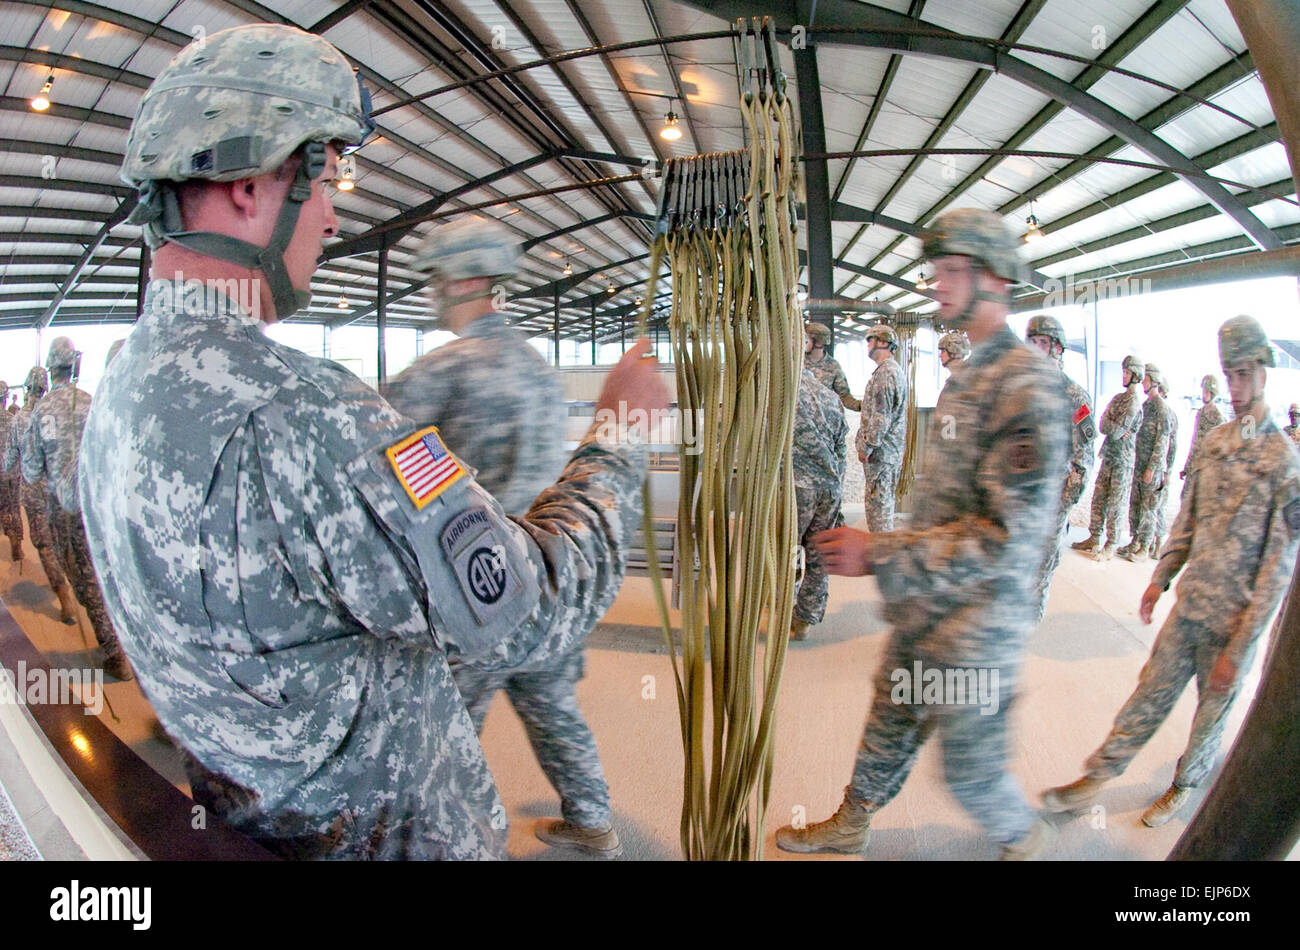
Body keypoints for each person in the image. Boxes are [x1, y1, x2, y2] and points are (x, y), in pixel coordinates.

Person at [79, 22, 669, 861]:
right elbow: (528, 612)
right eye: (326, 174)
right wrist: (620, 434)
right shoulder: (309, 414)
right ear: (253, 182)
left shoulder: (122, 388)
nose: (329, 211)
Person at [775, 208, 1069, 860]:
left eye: (952, 270)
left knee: (970, 772)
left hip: (976, 627)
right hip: (928, 609)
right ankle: (852, 820)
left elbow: (1004, 537)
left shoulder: (1025, 386)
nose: (936, 284)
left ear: (994, 278)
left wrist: (879, 551)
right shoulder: (973, 376)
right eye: (936, 270)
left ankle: (1027, 837)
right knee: (889, 719)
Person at [383, 215, 618, 859]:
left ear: (466, 279)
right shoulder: (538, 367)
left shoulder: (440, 370)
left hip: (475, 590)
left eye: (435, 278)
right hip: (545, 577)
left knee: (443, 736)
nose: (431, 290)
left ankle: (442, 845)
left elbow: (383, 474)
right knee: (552, 706)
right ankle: (592, 820)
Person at [1044, 315, 1300, 828]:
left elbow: (1279, 567)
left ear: (1265, 373)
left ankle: (1186, 783)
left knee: (1211, 711)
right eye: (1230, 373)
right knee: (1150, 691)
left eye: (1246, 372)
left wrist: (1243, 644)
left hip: (1234, 621)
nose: (1237, 383)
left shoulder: (1284, 461)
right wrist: (1160, 577)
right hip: (1191, 603)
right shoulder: (1218, 441)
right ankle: (1097, 774)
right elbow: (1187, 518)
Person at [22, 338, 131, 680]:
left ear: (51, 370)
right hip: (101, 504)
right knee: (109, 571)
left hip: (64, 509)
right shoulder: (93, 403)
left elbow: (30, 470)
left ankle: (116, 654)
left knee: (85, 581)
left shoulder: (40, 412)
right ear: (76, 366)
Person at [1026, 313, 1096, 621]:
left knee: (1040, 568)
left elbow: (1084, 458)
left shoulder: (1075, 397)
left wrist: (1064, 505)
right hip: (1023, 496)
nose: (1035, 349)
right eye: (1032, 343)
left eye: (1042, 343)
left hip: (1053, 498)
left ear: (1056, 348)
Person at [4, 366, 77, 624]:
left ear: (26, 387)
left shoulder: (21, 418)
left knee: (44, 545)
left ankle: (65, 597)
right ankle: (75, 584)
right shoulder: (56, 411)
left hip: (33, 488)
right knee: (64, 539)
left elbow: (12, 457)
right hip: (61, 486)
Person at [790, 367, 849, 642]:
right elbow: (841, 451)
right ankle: (805, 619)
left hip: (793, 487)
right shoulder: (831, 398)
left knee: (784, 552)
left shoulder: (780, 393)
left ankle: (781, 608)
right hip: (828, 488)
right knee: (819, 556)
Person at [1072, 355, 1144, 558]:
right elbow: (1103, 425)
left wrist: (1113, 423)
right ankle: (1094, 536)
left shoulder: (1133, 403)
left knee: (1116, 503)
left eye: (1127, 372)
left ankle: (1111, 543)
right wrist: (1113, 422)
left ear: (1136, 376)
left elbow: (1115, 432)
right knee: (1099, 497)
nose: (1123, 375)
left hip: (1123, 460)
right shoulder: (1118, 399)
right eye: (1123, 371)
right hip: (1110, 456)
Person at [1117, 364, 1173, 563]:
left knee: (1149, 508)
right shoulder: (1146, 406)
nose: (1143, 383)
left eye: (1147, 379)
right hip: (1139, 463)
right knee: (1136, 504)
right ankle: (1135, 541)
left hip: (1152, 468)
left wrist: (1152, 468)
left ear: (1154, 382)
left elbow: (1163, 442)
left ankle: (1145, 547)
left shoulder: (1162, 409)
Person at [856, 323, 908, 532]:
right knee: (883, 508)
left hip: (881, 456)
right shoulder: (890, 371)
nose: (867, 345)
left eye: (871, 340)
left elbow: (881, 417)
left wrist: (866, 446)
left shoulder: (885, 374)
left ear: (884, 343)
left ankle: (881, 559)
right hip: (887, 455)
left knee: (879, 514)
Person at [804, 321, 860, 412]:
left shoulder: (833, 366)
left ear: (818, 343)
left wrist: (862, 405)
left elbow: (845, 396)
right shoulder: (797, 364)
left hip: (823, 419)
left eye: (807, 339)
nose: (803, 342)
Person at [1180, 375, 1225, 489]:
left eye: (1207, 391)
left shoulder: (1218, 418)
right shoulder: (1200, 413)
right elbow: (1194, 442)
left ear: (1213, 393)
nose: (1203, 394)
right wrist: (1186, 467)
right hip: (1193, 468)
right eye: (1203, 391)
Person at [0, 381, 22, 562]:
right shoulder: (13, 420)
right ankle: (18, 542)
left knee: (3, 508)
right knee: (15, 507)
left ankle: (9, 531)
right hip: (13, 472)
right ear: (6, 398)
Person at [936, 330, 970, 401]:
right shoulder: (954, 378)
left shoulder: (963, 379)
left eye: (943, 351)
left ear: (953, 352)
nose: (940, 355)